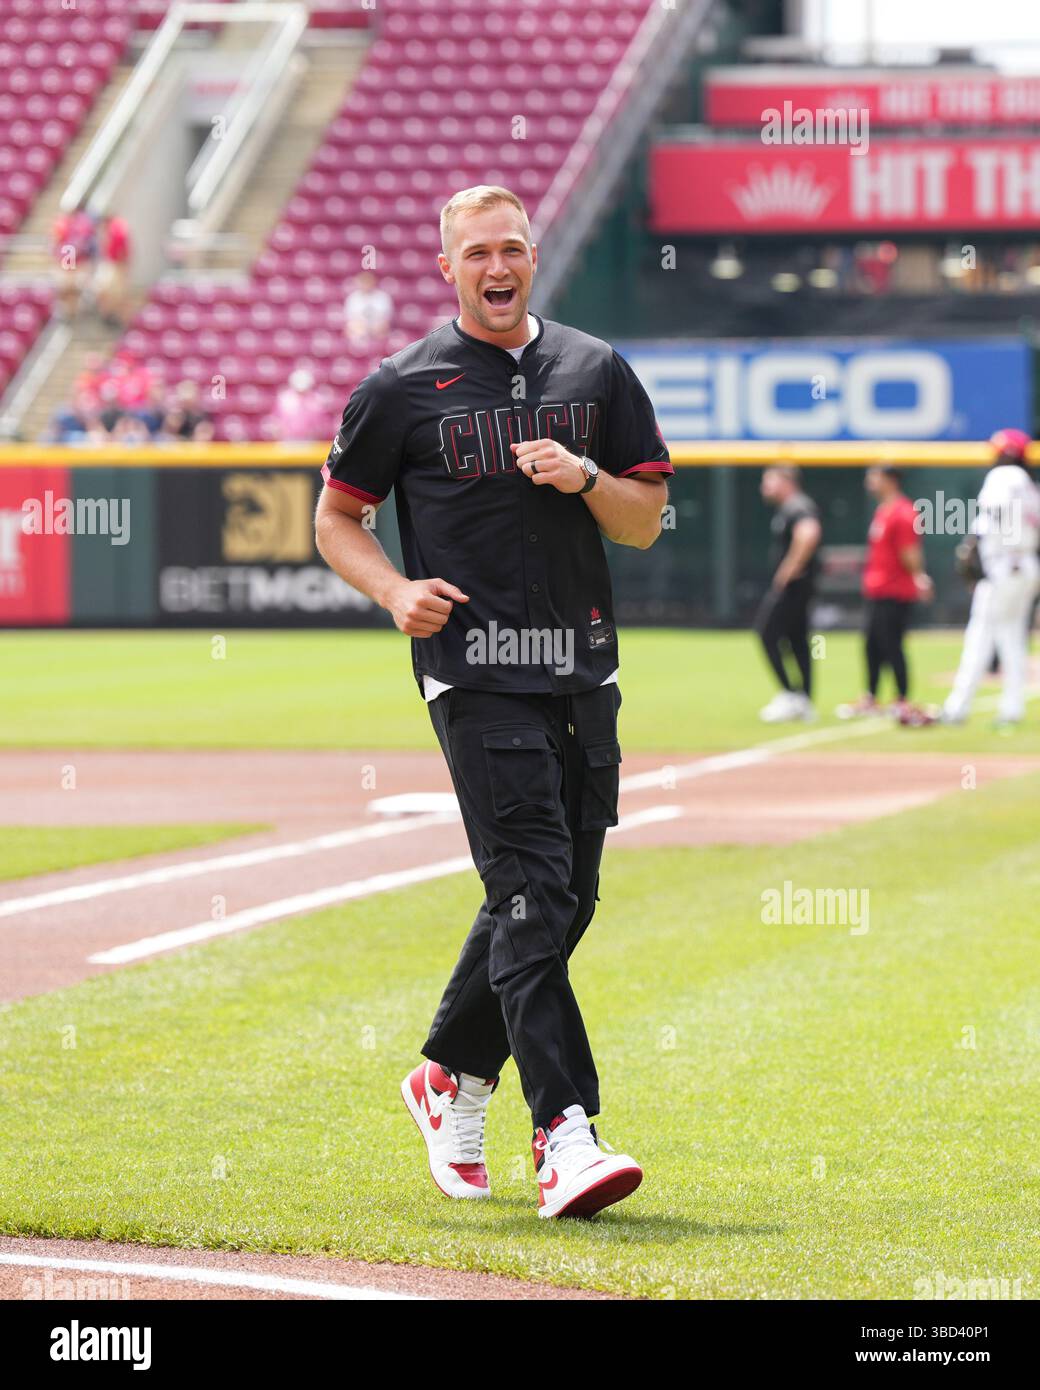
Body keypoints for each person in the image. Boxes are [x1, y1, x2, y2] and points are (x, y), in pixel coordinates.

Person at [315, 184, 672, 1220]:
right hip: (474, 672)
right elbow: (337, 518)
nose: (495, 265)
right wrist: (392, 590)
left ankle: (450, 1074)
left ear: (531, 255)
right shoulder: (400, 387)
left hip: (581, 664)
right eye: (475, 252)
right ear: (448, 267)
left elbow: (644, 520)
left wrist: (584, 476)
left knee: (564, 898)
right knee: (528, 887)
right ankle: (563, 1131)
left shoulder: (594, 368)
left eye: (510, 247)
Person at [942, 429, 1040, 728]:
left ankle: (958, 707)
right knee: (1011, 637)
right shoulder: (1030, 486)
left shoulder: (1003, 477)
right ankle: (1011, 708)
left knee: (981, 635)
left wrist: (978, 548)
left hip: (1002, 566)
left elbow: (992, 517)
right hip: (1026, 566)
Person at [838, 465, 934, 722]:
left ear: (890, 480)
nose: (869, 483)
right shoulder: (883, 510)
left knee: (892, 645)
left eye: (874, 478)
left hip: (896, 590)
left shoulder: (903, 512)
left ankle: (901, 699)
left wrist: (918, 577)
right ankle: (871, 696)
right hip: (878, 589)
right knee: (871, 645)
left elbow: (909, 551)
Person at [754, 465, 822, 722]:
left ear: (786, 482)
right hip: (801, 587)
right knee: (797, 640)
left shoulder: (798, 506)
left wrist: (787, 571)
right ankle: (803, 699)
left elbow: (809, 534)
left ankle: (790, 694)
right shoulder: (789, 508)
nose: (764, 488)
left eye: (769, 481)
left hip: (794, 586)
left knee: (766, 633)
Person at [93, 213, 132, 326]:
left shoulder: (117, 229)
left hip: (116, 264)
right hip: (110, 263)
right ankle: (108, 315)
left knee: (117, 294)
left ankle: (117, 318)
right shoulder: (111, 230)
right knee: (103, 291)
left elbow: (121, 250)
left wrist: (122, 266)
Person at [273, 368, 327, 441]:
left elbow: (320, 425)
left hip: (309, 440)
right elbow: (277, 422)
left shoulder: (316, 401)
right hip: (287, 439)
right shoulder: (284, 399)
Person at [343, 270, 393, 349]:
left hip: (378, 329)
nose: (366, 285)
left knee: (384, 328)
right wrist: (363, 329)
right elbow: (350, 319)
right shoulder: (353, 297)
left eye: (368, 282)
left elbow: (386, 319)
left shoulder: (382, 297)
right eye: (364, 282)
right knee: (351, 328)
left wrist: (374, 329)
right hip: (359, 329)